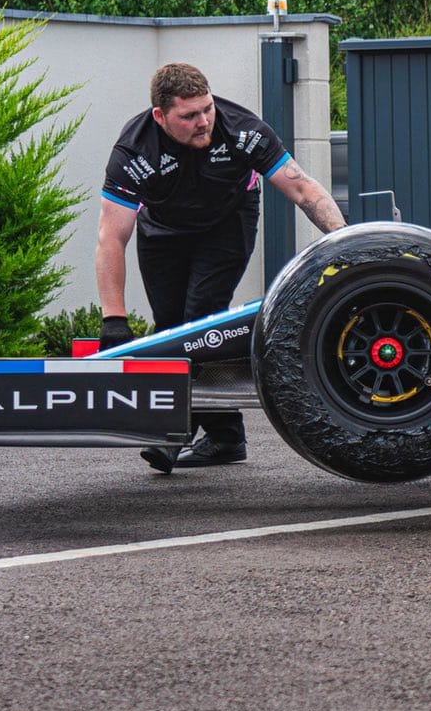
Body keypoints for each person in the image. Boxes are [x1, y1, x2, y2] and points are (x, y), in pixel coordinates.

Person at [96, 62, 345, 472]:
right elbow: (111, 237)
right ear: (160, 116)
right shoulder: (135, 150)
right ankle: (226, 437)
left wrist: (343, 241)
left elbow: (300, 186)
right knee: (170, 326)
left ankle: (171, 434)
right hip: (163, 231)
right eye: (189, 116)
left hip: (227, 222)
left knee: (200, 319)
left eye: (207, 109)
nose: (203, 122)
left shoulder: (242, 129)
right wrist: (113, 320)